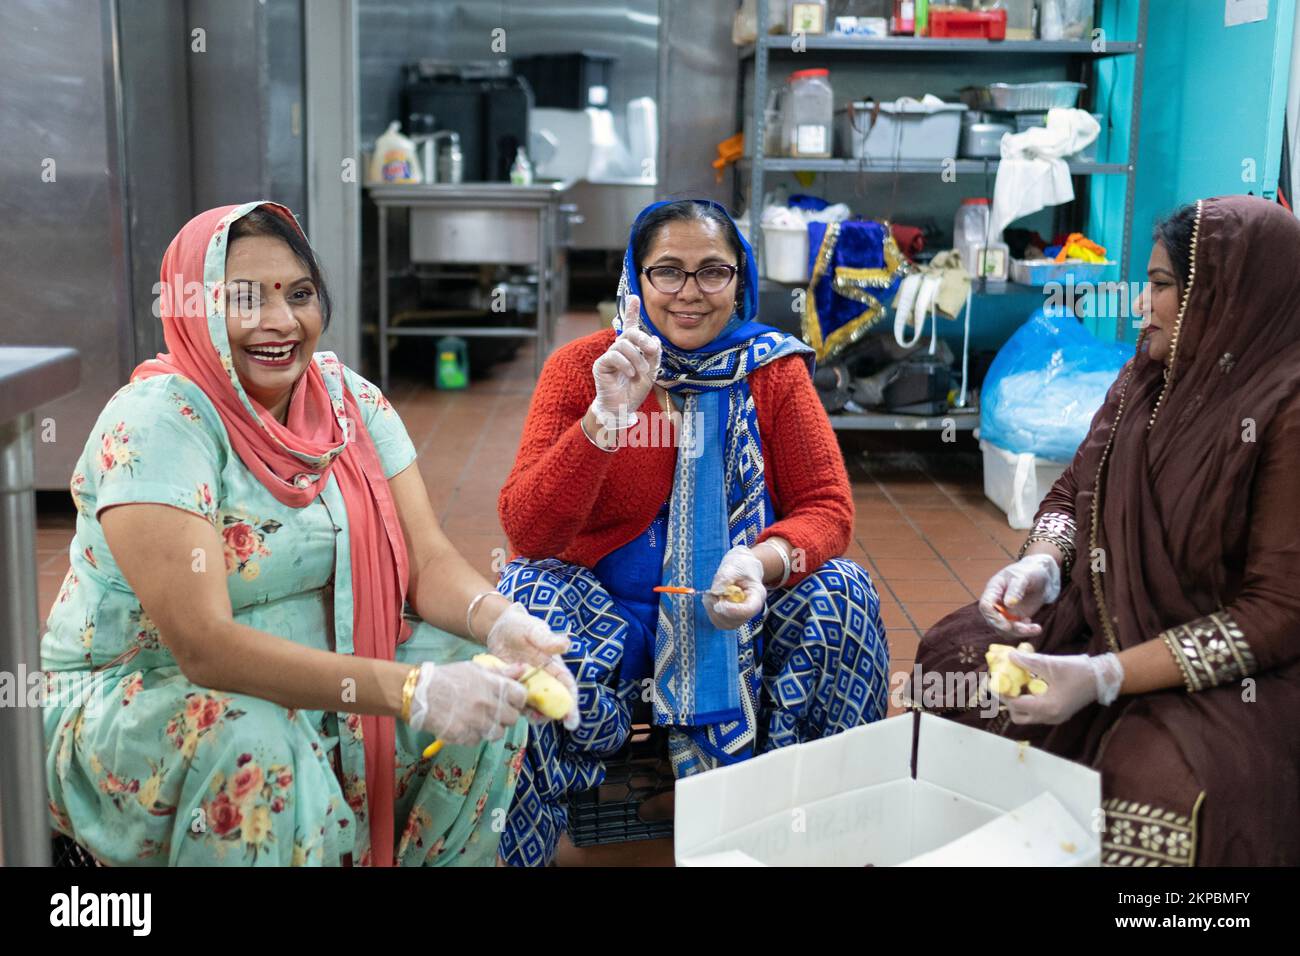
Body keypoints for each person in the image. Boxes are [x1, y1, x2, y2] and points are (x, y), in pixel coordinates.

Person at [41, 201, 578, 866]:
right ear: (194, 306)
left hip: (327, 663)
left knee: (484, 693)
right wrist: (411, 692)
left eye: (298, 294)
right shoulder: (160, 422)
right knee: (253, 741)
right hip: (151, 693)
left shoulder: (347, 399)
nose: (279, 321)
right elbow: (204, 648)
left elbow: (425, 557)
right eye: (244, 298)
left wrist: (499, 622)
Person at [493, 198, 891, 866]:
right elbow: (529, 529)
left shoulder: (772, 370)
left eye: (713, 272)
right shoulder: (585, 368)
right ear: (635, 280)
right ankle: (520, 839)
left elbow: (828, 507)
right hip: (609, 606)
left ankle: (820, 826)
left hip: (732, 604)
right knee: (526, 605)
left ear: (741, 280)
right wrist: (604, 420)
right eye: (667, 272)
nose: (689, 293)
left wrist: (758, 562)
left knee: (844, 594)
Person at [914, 195, 1300, 866]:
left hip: (1234, 666)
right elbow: (1075, 491)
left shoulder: (1285, 411)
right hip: (1106, 617)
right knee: (952, 662)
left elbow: (1274, 615)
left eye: (1160, 286)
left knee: (1154, 776)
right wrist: (1042, 565)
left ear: (1226, 296)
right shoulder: (1149, 378)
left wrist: (1105, 675)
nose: (1140, 306)